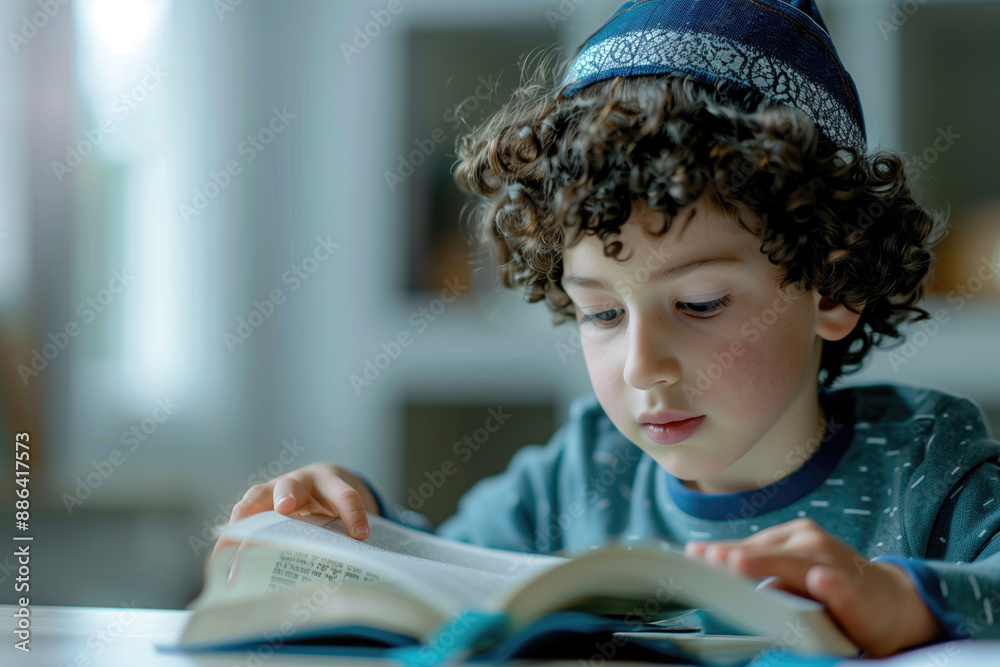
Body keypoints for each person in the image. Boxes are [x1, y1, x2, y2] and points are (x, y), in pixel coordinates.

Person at [221, 0, 1000, 657]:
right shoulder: (577, 472)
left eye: (698, 304)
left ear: (833, 283)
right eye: (600, 312)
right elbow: (451, 576)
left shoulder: (929, 463)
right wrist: (353, 523)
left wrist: (912, 597)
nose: (643, 366)